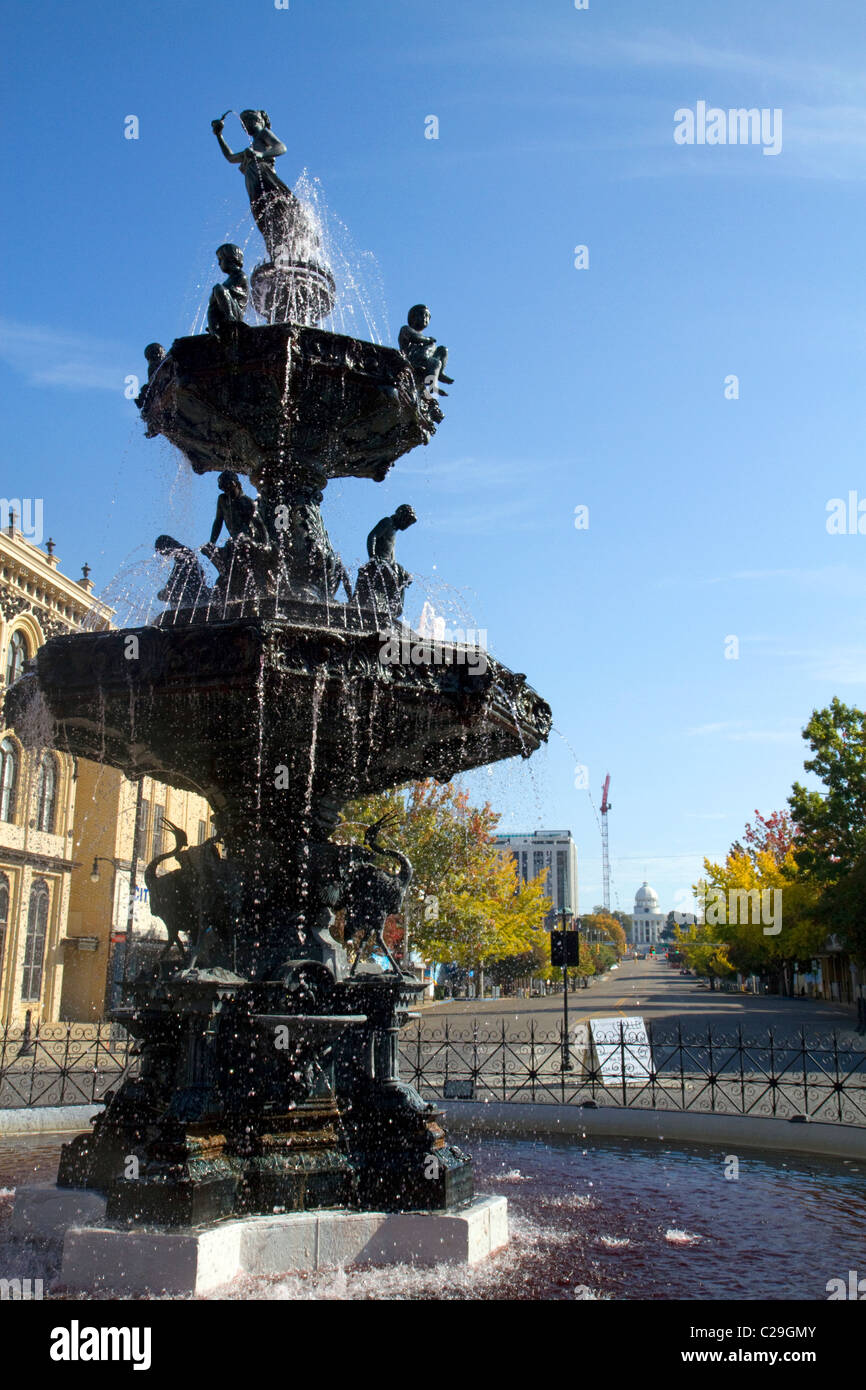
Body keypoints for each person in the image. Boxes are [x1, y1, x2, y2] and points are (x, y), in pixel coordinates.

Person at [398, 305, 453, 396]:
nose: (425, 318)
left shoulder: (427, 340)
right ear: (412, 317)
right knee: (435, 362)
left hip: (427, 363)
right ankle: (432, 387)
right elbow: (414, 337)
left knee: (443, 350)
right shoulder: (406, 329)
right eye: (422, 315)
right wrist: (427, 340)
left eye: (427, 316)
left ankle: (440, 373)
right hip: (413, 362)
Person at [155, 535, 209, 611]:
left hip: (193, 593)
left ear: (165, 546)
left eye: (162, 552)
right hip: (194, 591)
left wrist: (168, 589)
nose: (164, 555)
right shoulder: (183, 554)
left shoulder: (183, 553)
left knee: (172, 594)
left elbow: (176, 577)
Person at [206, 244, 248, 334]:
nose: (219, 264)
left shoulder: (241, 276)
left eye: (220, 260)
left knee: (218, 288)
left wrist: (216, 293)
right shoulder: (229, 279)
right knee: (213, 305)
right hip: (225, 309)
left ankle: (230, 319)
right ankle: (213, 328)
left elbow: (224, 292)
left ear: (230, 258)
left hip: (236, 313)